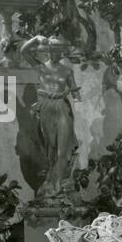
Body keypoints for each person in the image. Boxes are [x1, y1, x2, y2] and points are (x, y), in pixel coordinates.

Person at [20, 36, 82, 198]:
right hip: (46, 108)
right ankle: (50, 181)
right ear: (48, 51)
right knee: (51, 150)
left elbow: (75, 92)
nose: (56, 54)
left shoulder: (67, 71)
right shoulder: (40, 68)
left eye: (59, 51)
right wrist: (35, 38)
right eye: (53, 50)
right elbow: (24, 51)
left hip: (62, 107)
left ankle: (57, 184)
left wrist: (76, 94)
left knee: (63, 150)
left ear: (62, 52)